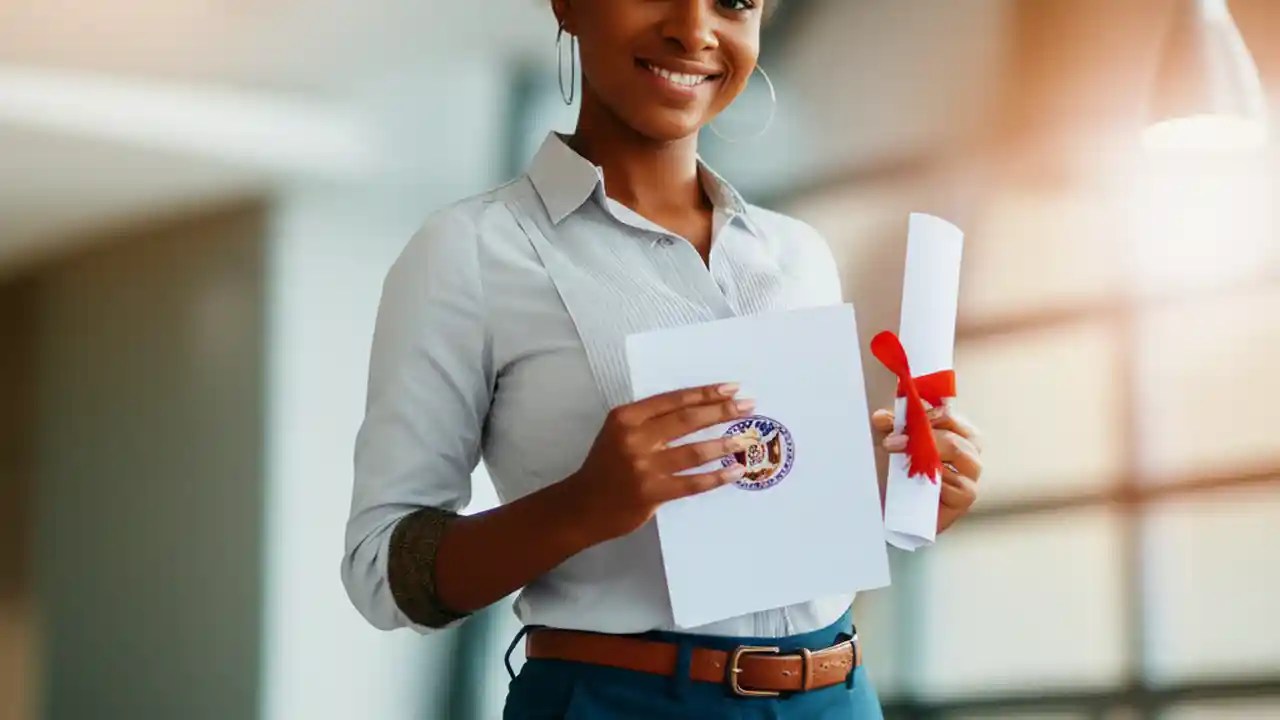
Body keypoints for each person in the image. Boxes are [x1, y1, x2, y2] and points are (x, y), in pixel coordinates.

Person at [341, 1, 985, 717]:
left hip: (838, 697)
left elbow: (775, 514)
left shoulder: (798, 252)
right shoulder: (470, 250)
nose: (696, 29)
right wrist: (580, 508)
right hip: (620, 701)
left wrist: (900, 494)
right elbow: (380, 571)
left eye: (735, 0)